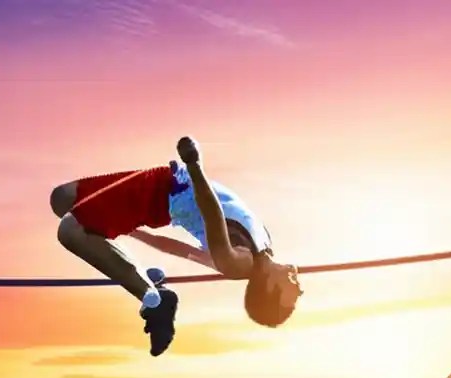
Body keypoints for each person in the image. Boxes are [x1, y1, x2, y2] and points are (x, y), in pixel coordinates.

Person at [49, 136, 303, 356]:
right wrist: (135, 232)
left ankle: (153, 299)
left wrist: (194, 165)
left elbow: (213, 216)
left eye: (293, 297)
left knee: (70, 231)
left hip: (158, 194)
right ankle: (148, 286)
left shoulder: (237, 264)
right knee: (61, 199)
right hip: (165, 184)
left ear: (270, 288)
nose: (300, 291)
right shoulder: (264, 247)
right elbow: (179, 250)